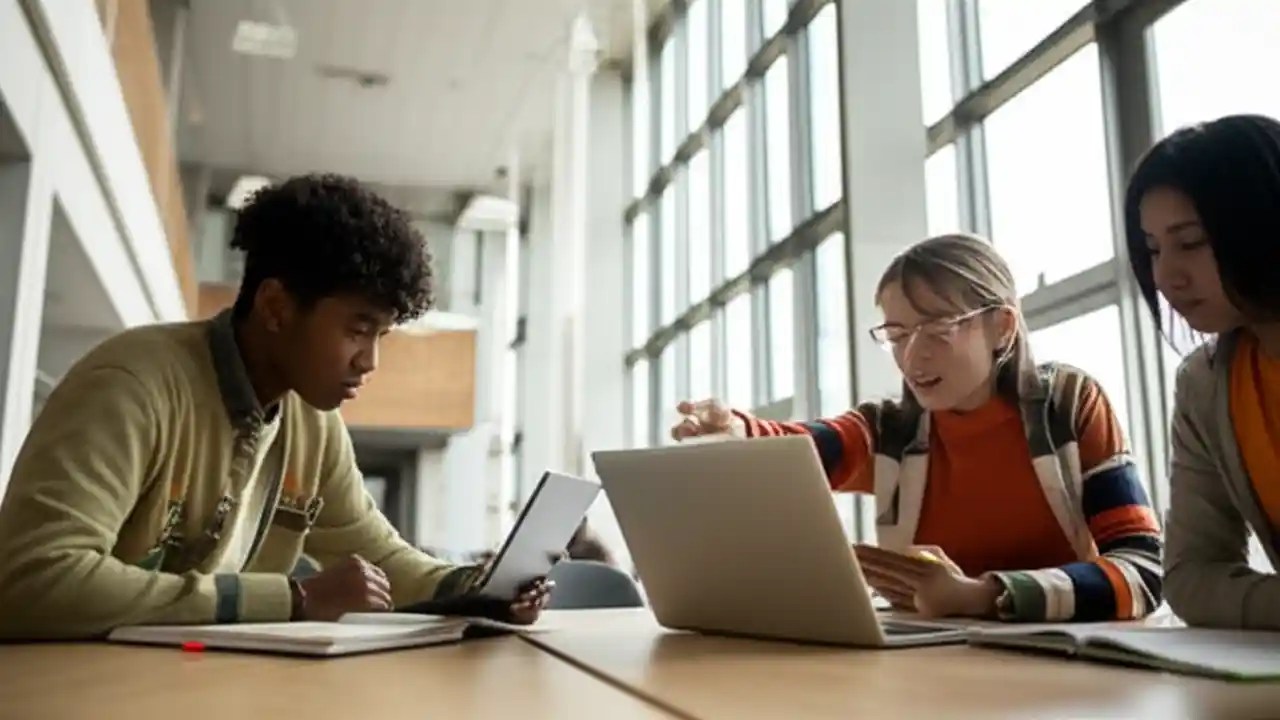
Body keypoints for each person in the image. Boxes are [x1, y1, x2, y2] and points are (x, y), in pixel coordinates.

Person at [0, 174, 550, 639]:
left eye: (382, 334)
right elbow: (32, 579)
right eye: (359, 330)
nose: (370, 361)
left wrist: (473, 588)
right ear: (276, 307)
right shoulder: (132, 385)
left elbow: (379, 558)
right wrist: (291, 598)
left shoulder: (313, 423)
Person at [672, 234, 1162, 622]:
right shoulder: (892, 429)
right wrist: (737, 431)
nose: (912, 356)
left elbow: (1142, 571)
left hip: (1064, 668)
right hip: (928, 663)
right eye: (897, 333)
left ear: (1002, 328)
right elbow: (804, 449)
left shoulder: (1070, 406)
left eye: (938, 330)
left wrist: (984, 595)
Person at [1125, 113, 1280, 630]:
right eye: (1152, 249)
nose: (1165, 275)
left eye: (1190, 242)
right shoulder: (1206, 383)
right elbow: (1191, 575)